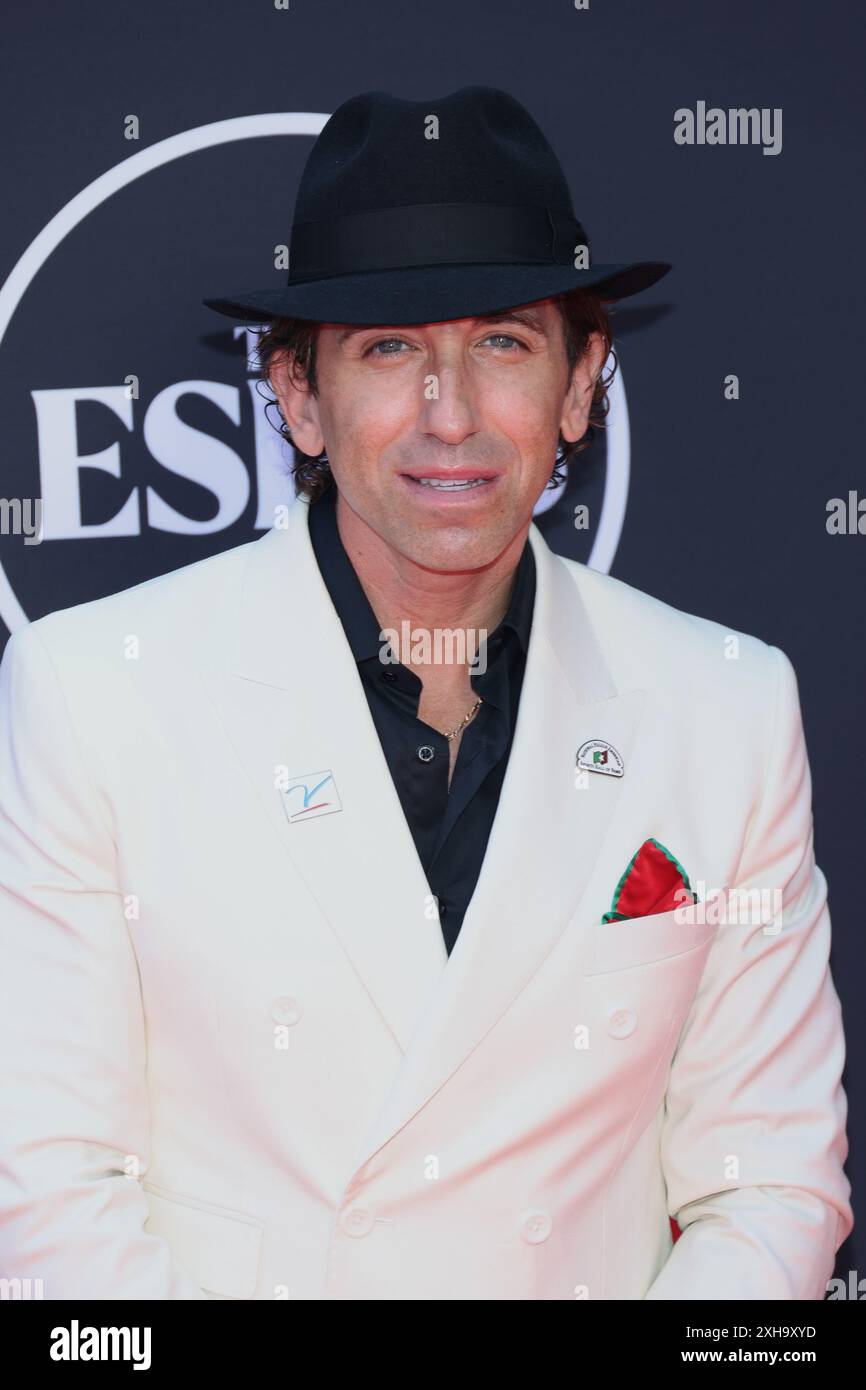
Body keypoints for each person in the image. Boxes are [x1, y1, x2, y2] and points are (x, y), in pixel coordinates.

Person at [0, 86, 851, 1300]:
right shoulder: (91, 697)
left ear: (577, 384)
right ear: (298, 398)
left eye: (500, 342)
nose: (448, 415)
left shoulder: (725, 709)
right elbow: (45, 1198)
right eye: (389, 349)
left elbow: (768, 1183)